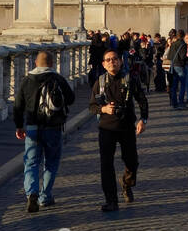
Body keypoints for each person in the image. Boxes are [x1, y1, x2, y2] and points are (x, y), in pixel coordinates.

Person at [14, 50, 76, 213]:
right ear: (52, 63)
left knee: (31, 162)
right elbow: (71, 99)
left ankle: (31, 193)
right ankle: (45, 196)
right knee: (51, 163)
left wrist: (19, 125)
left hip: (33, 127)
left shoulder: (27, 80)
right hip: (53, 128)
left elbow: (18, 106)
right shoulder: (58, 79)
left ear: (35, 63)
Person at [89, 48, 148, 213]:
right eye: (108, 60)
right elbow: (92, 106)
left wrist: (143, 119)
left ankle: (127, 183)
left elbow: (142, 100)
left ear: (120, 61)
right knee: (106, 165)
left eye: (114, 59)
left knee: (132, 161)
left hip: (127, 126)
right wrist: (104, 109)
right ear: (103, 64)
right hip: (106, 128)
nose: (111, 62)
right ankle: (111, 200)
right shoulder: (99, 82)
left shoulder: (130, 79)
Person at [166, 30, 188, 107]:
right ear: (183, 36)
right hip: (180, 66)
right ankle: (181, 101)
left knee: (174, 86)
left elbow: (169, 57)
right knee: (182, 85)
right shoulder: (183, 44)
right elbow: (183, 57)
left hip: (172, 66)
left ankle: (174, 102)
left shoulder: (173, 44)